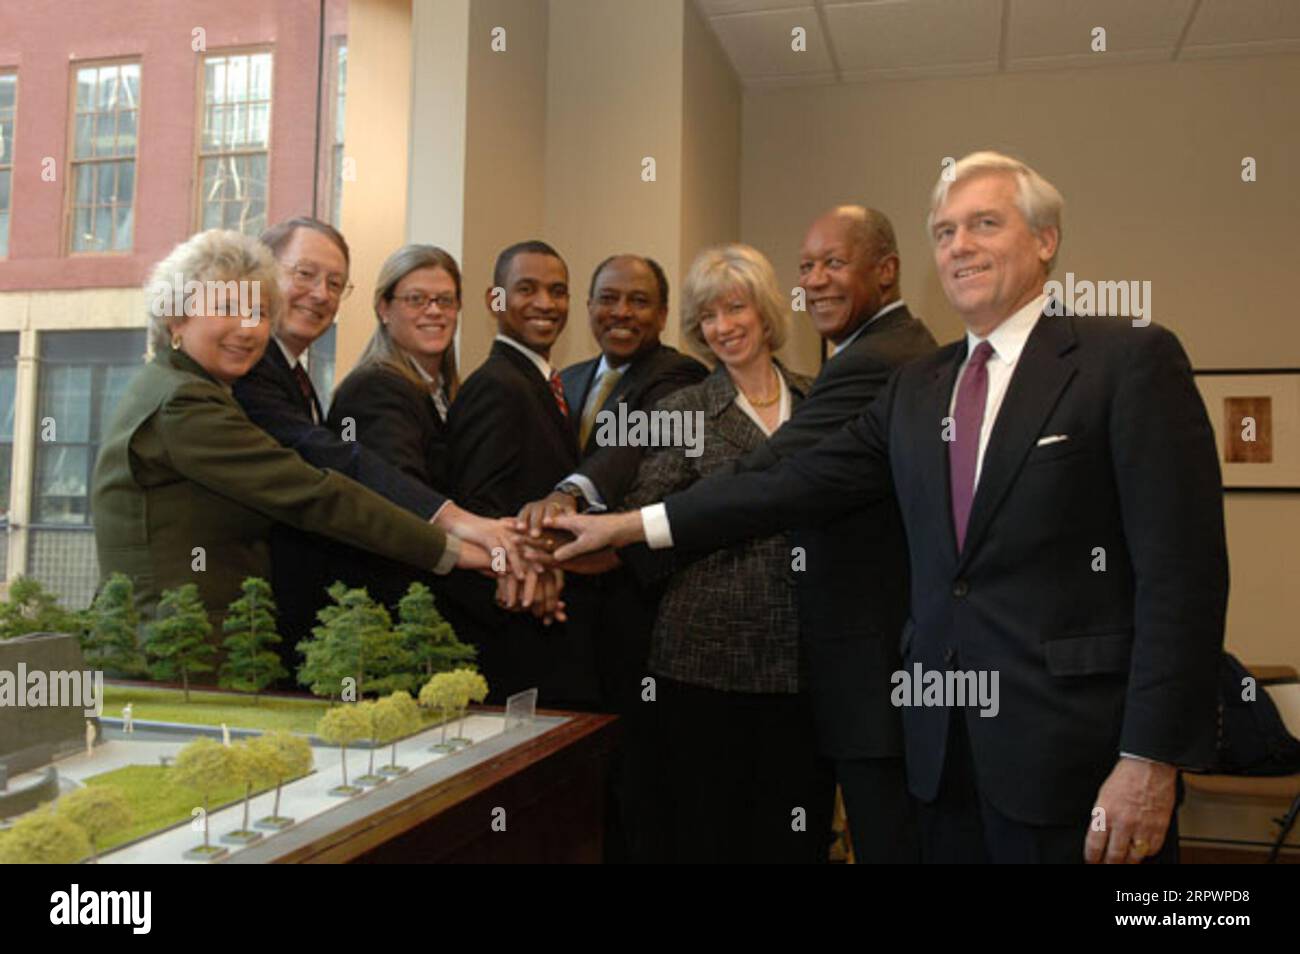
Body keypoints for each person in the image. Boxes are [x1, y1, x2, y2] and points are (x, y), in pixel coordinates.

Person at [550, 152, 1228, 864]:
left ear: (1045, 240)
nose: (959, 245)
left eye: (984, 224)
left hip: (1073, 756)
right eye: (944, 231)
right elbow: (790, 482)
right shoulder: (917, 387)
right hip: (938, 756)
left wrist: (1150, 757)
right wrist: (630, 526)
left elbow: (1184, 579)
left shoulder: (1127, 360)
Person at [92, 230, 489, 641]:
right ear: (176, 316)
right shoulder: (184, 402)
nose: (247, 329)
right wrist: (454, 550)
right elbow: (313, 495)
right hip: (177, 649)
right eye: (228, 308)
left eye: (260, 314)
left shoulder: (189, 386)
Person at [613, 244, 828, 862]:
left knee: (795, 828)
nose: (724, 327)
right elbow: (643, 530)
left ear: (764, 313)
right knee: (708, 831)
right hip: (705, 659)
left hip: (806, 660)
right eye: (708, 316)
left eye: (735, 308)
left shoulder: (818, 403)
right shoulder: (680, 411)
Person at [231, 219, 518, 648]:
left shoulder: (294, 375)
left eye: (335, 283)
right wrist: (472, 537)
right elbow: (338, 464)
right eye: (305, 274)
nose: (320, 294)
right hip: (258, 614)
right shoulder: (250, 368)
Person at [515, 254, 706, 862]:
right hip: (567, 620)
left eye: (638, 301)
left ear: (663, 312)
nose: (621, 313)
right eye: (607, 298)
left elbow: (629, 447)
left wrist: (569, 493)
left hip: (636, 613)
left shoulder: (679, 377)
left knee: (637, 780)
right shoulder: (565, 380)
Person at [444, 240, 596, 706]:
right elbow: (478, 507)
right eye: (526, 289)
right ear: (496, 300)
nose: (546, 304)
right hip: (514, 623)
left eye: (558, 291)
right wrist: (532, 574)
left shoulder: (547, 382)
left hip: (538, 624)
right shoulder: (497, 385)